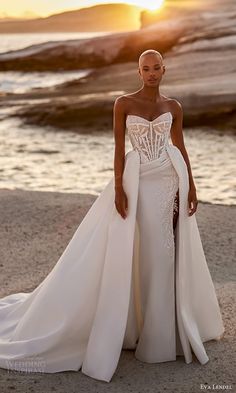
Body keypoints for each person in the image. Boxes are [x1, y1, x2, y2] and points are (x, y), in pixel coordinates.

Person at [0, 49, 224, 383]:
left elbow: (180, 147)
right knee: (127, 253)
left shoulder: (173, 107)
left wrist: (190, 186)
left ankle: (158, 340)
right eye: (145, 68)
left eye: (155, 68)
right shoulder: (123, 103)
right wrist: (119, 189)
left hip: (167, 180)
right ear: (138, 71)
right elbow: (119, 149)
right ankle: (128, 325)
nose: (150, 73)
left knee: (162, 255)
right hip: (135, 182)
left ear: (164, 69)